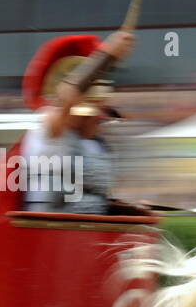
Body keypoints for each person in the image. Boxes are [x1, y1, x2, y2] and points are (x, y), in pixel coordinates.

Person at [20, 31, 136, 213]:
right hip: (47, 236)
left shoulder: (94, 143)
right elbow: (68, 94)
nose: (101, 115)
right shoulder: (51, 131)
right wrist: (107, 56)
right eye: (95, 106)